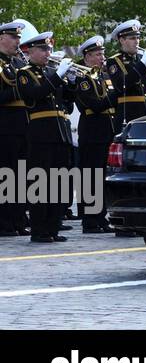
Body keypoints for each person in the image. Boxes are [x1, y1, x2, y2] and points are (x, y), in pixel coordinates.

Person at [16, 31, 74, 243]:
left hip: (60, 132)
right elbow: (34, 94)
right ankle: (39, 230)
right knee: (41, 183)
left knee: (59, 183)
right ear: (30, 51)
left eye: (49, 49)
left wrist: (71, 83)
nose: (47, 53)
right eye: (43, 49)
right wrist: (58, 76)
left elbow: (67, 101)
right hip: (40, 133)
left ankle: (53, 228)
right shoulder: (24, 73)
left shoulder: (51, 71)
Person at [70, 36, 116, 233]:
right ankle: (89, 219)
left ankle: (100, 217)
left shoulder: (102, 76)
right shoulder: (83, 79)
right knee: (91, 176)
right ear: (87, 56)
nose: (102, 57)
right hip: (92, 129)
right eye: (98, 54)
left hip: (107, 129)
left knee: (103, 176)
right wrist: (115, 96)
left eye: (102, 53)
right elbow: (94, 105)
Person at [0, 20, 31, 236]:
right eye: (14, 37)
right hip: (5, 128)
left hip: (23, 127)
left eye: (19, 38)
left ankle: (19, 219)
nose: (17, 42)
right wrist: (21, 90)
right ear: (1, 38)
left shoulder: (18, 64)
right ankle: (4, 223)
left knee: (22, 177)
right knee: (6, 177)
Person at [107, 19, 146, 133]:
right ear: (122, 40)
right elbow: (121, 85)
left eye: (138, 38)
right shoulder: (114, 61)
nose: (137, 41)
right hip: (128, 112)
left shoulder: (142, 59)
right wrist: (143, 64)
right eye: (132, 38)